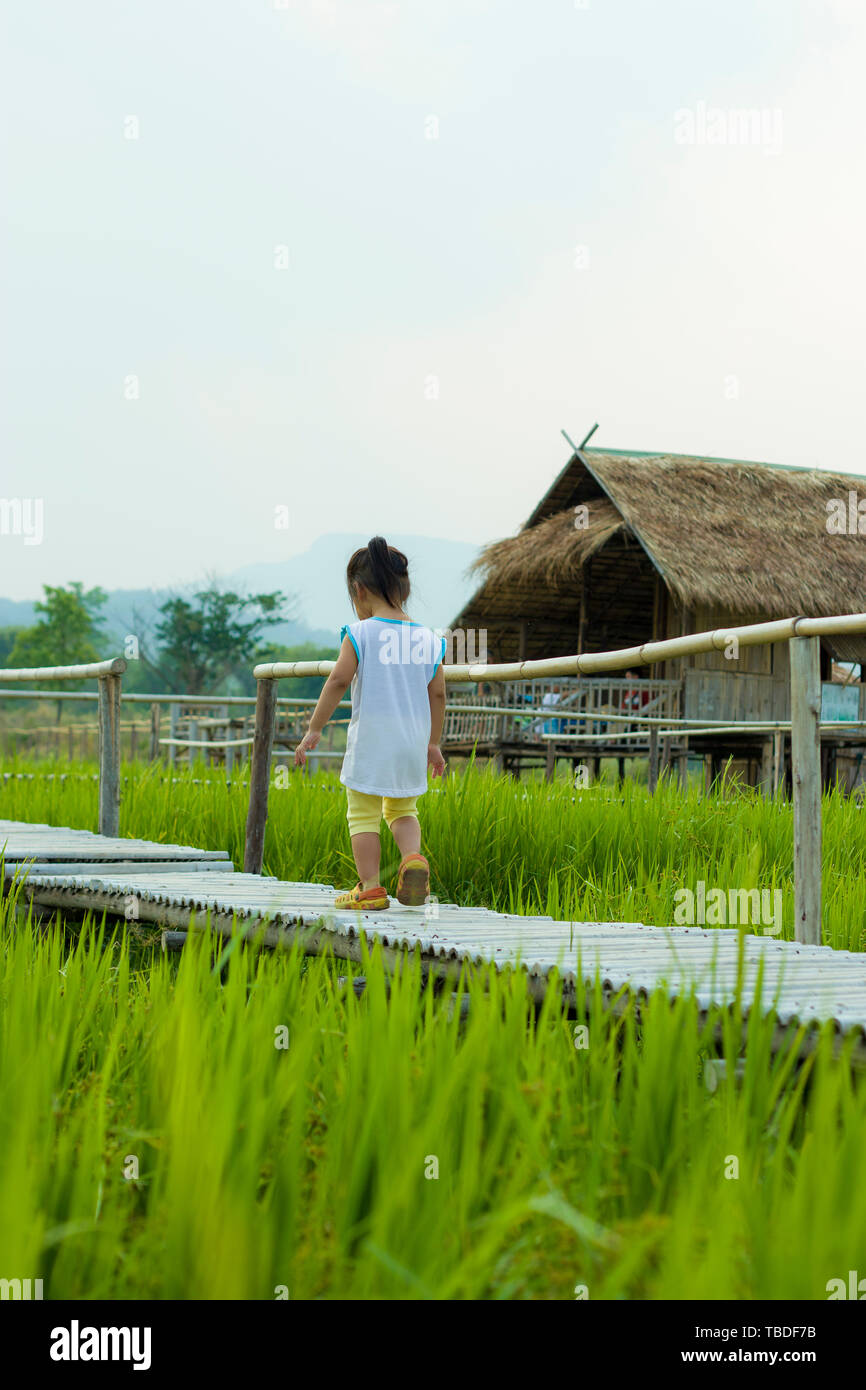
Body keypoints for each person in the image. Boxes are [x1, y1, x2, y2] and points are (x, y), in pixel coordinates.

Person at [294, 536, 447, 910]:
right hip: (412, 744)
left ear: (359, 591)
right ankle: (412, 858)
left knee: (362, 814)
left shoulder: (359, 633)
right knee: (402, 810)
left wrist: (315, 728)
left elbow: (338, 681)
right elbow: (438, 695)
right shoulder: (429, 639)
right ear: (404, 589)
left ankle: (371, 887)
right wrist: (433, 744)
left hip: (371, 744)